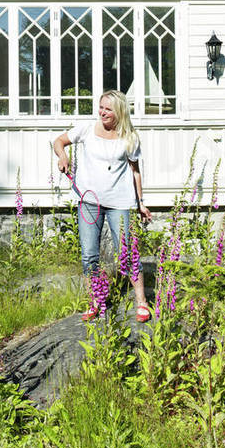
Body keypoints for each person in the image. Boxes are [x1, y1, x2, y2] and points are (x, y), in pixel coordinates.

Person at [53, 89, 153, 322]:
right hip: (88, 202)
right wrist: (62, 156)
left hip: (119, 203)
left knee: (127, 253)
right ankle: (95, 300)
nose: (102, 112)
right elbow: (59, 141)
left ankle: (141, 301)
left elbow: (135, 172)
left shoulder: (129, 138)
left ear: (119, 111)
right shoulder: (87, 129)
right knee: (89, 256)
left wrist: (140, 203)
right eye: (101, 107)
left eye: (108, 109)